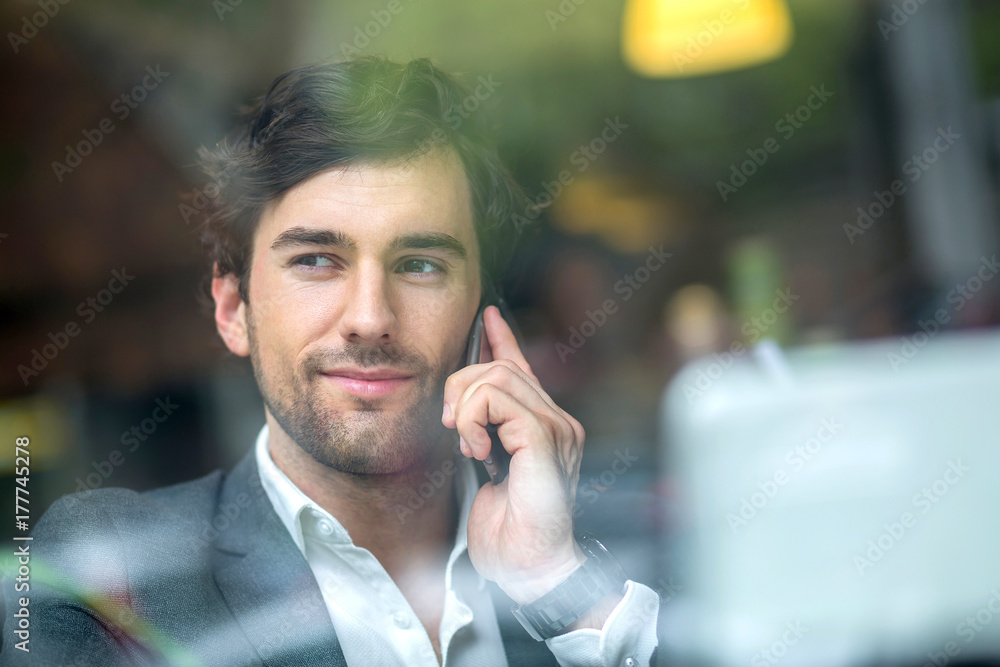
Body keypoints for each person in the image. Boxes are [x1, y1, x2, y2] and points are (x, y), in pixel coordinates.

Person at [2, 56, 660, 666]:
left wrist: (559, 591)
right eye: (316, 260)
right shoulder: (113, 567)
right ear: (233, 309)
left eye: (420, 264)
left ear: (484, 314)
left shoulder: (624, 554)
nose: (370, 317)